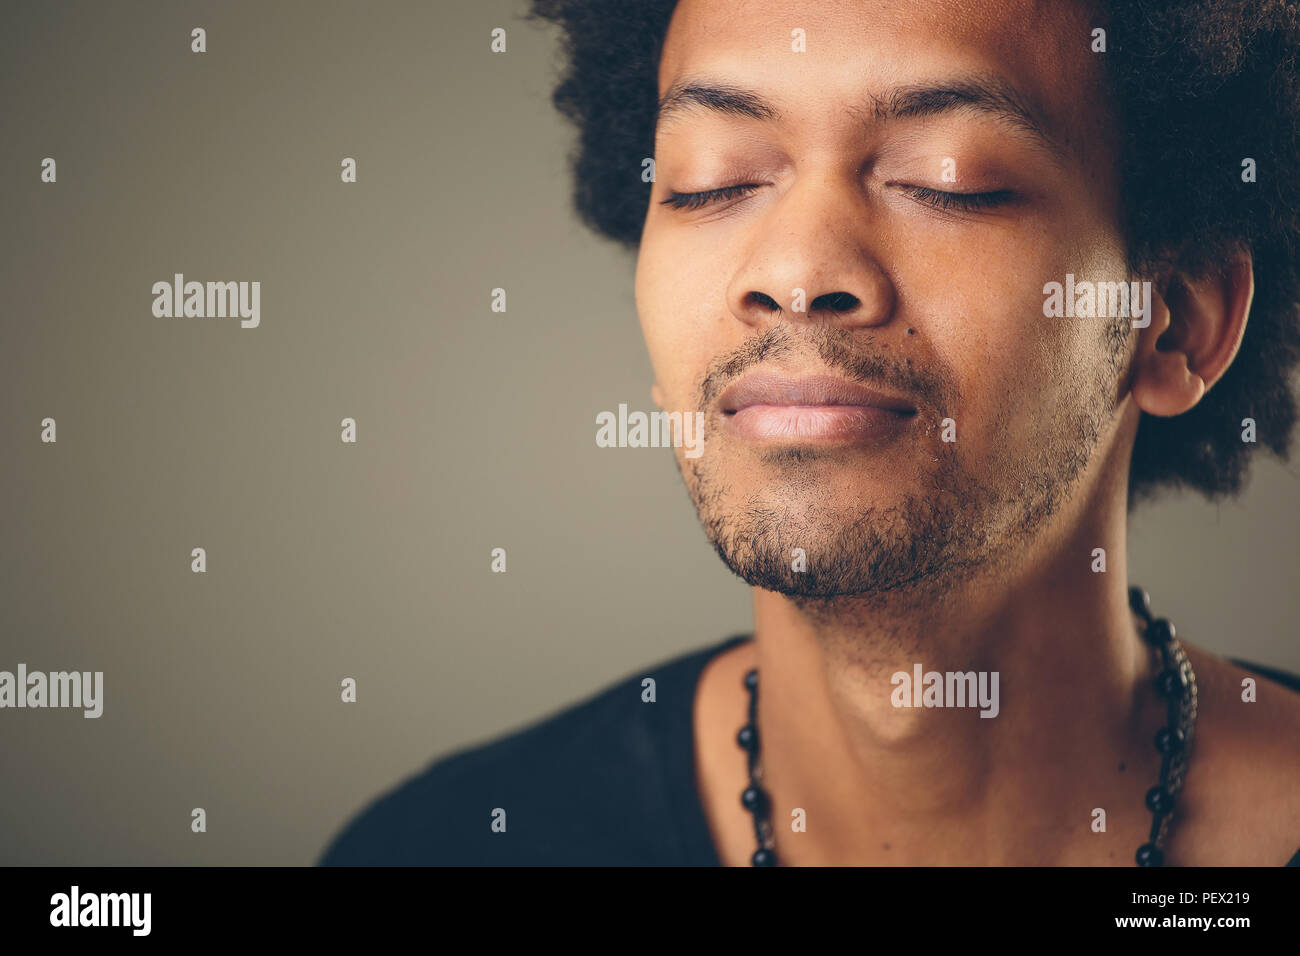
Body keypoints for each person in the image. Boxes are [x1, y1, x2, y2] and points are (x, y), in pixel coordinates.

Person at [320, 0, 1300, 866]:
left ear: (1173, 317)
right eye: (710, 180)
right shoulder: (441, 844)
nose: (794, 270)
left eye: (947, 179)